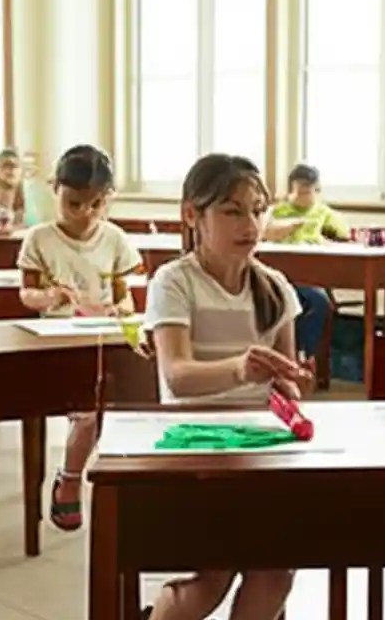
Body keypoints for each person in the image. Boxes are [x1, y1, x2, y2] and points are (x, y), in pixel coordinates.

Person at [141, 153, 312, 619]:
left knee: (276, 570)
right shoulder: (173, 282)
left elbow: (284, 383)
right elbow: (177, 374)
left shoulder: (276, 287)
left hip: (260, 446)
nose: (250, 224)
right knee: (209, 576)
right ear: (192, 215)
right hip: (191, 447)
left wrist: (294, 386)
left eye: (258, 210)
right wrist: (240, 369)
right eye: (232, 211)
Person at [16, 145, 142, 532]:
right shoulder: (39, 239)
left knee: (128, 404)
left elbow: (123, 294)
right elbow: (26, 294)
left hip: (101, 334)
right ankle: (69, 481)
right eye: (74, 203)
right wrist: (50, 297)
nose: (85, 213)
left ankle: (122, 484)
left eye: (96, 204)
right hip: (56, 336)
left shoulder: (115, 239)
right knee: (86, 413)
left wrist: (122, 309)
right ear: (55, 190)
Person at [262, 163, 349, 361]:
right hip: (279, 276)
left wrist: (329, 235)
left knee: (319, 303)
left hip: (310, 277)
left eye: (309, 191)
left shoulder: (322, 212)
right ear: (290, 190)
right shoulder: (278, 211)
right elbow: (265, 232)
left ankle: (304, 355)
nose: (304, 196)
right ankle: (288, 354)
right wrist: (285, 228)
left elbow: (343, 233)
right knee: (283, 303)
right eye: (300, 192)